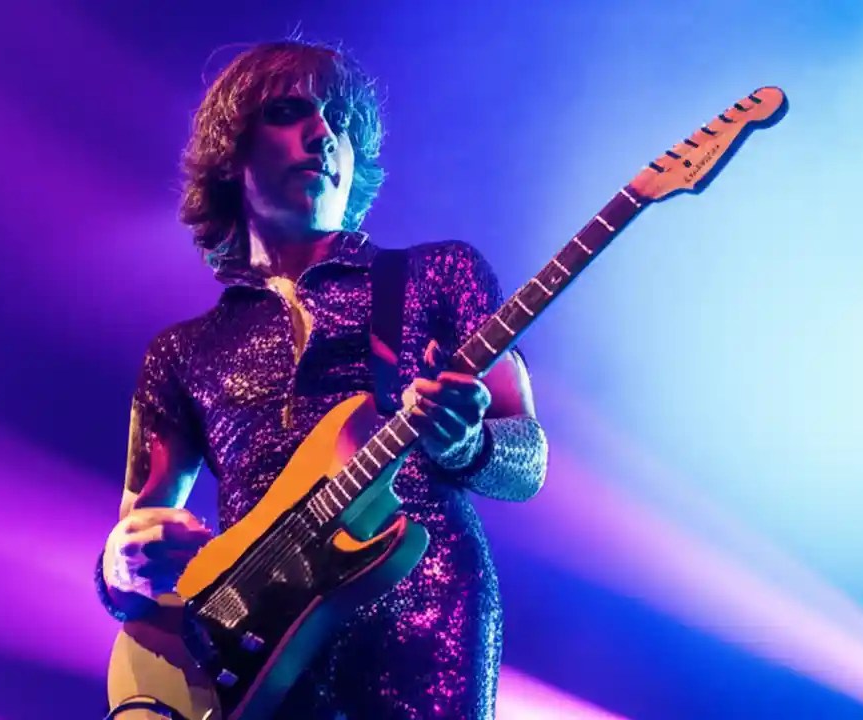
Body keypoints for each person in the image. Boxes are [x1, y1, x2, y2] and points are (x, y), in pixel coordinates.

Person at [95, 39, 548, 719]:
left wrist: (467, 446)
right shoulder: (181, 353)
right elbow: (141, 535)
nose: (323, 134)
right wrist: (118, 568)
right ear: (232, 150)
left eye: (339, 120)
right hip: (256, 647)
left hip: (424, 622)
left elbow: (529, 461)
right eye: (288, 111)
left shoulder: (438, 275)